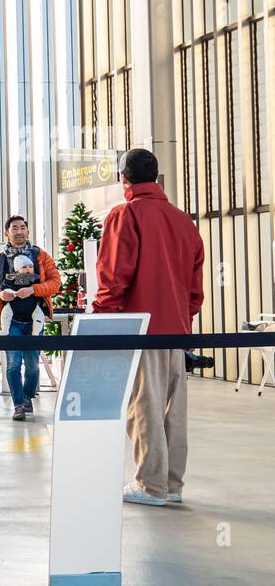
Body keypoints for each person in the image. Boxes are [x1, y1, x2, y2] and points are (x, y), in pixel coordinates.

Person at [93, 148, 205, 507]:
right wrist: (182, 317)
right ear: (155, 178)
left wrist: (101, 319)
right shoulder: (183, 220)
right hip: (176, 331)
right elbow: (195, 287)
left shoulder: (125, 215)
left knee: (144, 406)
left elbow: (114, 278)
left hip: (139, 327)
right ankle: (172, 484)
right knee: (175, 409)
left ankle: (150, 485)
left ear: (123, 178)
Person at [0, 215, 61, 421]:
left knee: (33, 365)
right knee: (13, 365)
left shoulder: (40, 256)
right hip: (11, 321)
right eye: (14, 228)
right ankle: (19, 404)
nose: (19, 231)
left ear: (28, 231)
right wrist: (0, 295)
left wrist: (34, 290)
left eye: (23, 227)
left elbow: (55, 283)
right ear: (7, 233)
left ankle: (27, 397)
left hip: (35, 320)